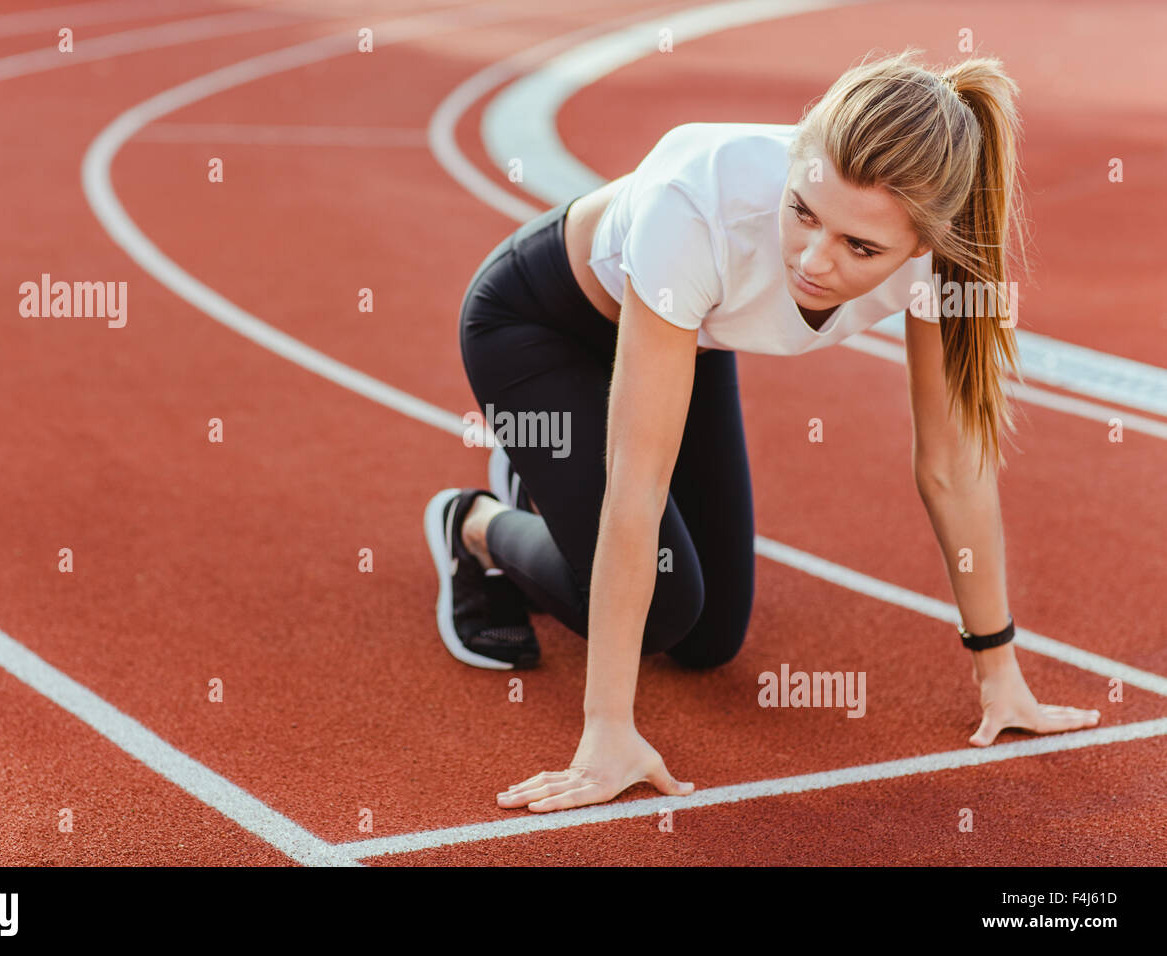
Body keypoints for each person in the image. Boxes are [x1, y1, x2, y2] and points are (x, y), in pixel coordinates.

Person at [423, 49, 1101, 813]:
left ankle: (546, 478)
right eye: (804, 213)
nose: (812, 260)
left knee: (709, 640)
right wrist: (607, 729)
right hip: (536, 328)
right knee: (665, 611)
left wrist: (998, 669)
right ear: (797, 158)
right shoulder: (700, 201)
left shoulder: (952, 263)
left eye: (860, 247)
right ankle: (474, 525)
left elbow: (953, 464)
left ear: (923, 245)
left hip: (690, 335)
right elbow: (636, 484)